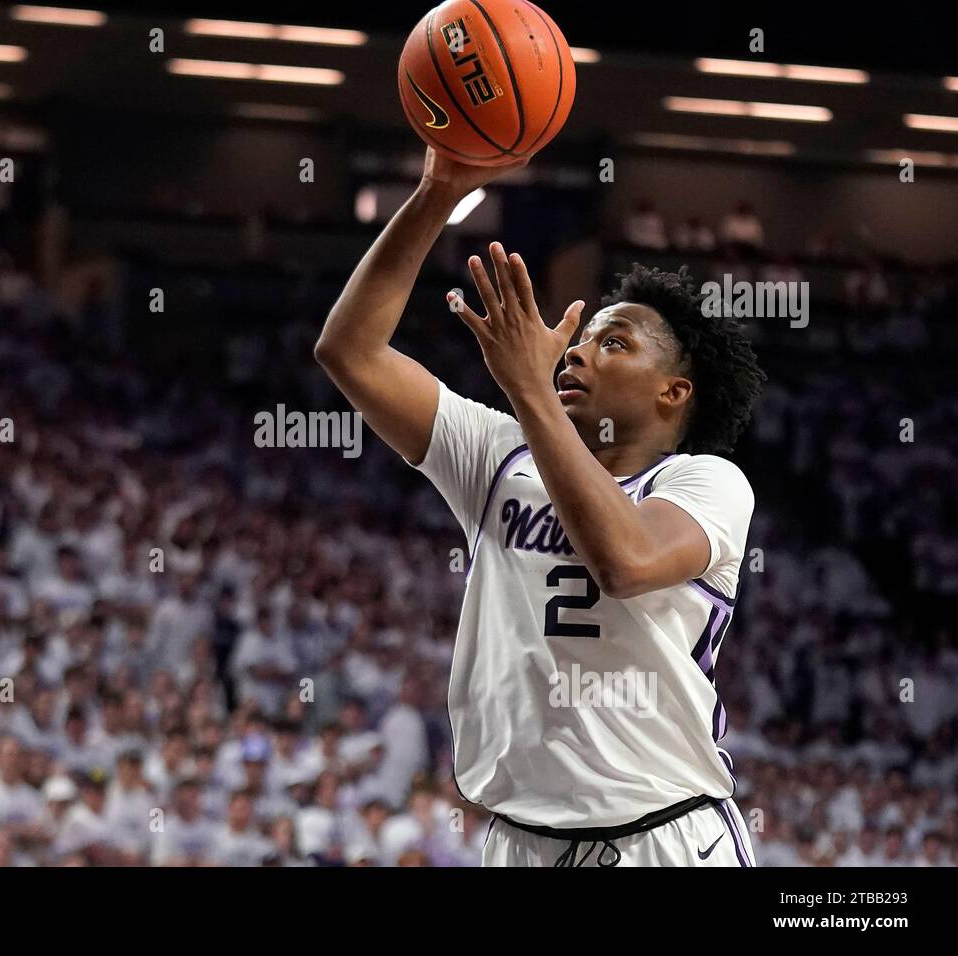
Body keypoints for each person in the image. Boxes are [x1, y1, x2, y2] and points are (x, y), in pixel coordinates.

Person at [315, 146, 765, 867]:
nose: (576, 354)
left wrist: (527, 390)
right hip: (519, 840)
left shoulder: (705, 483)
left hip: (664, 836)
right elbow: (350, 350)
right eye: (579, 340)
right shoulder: (500, 457)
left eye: (612, 344)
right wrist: (438, 191)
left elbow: (625, 560)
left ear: (673, 393)